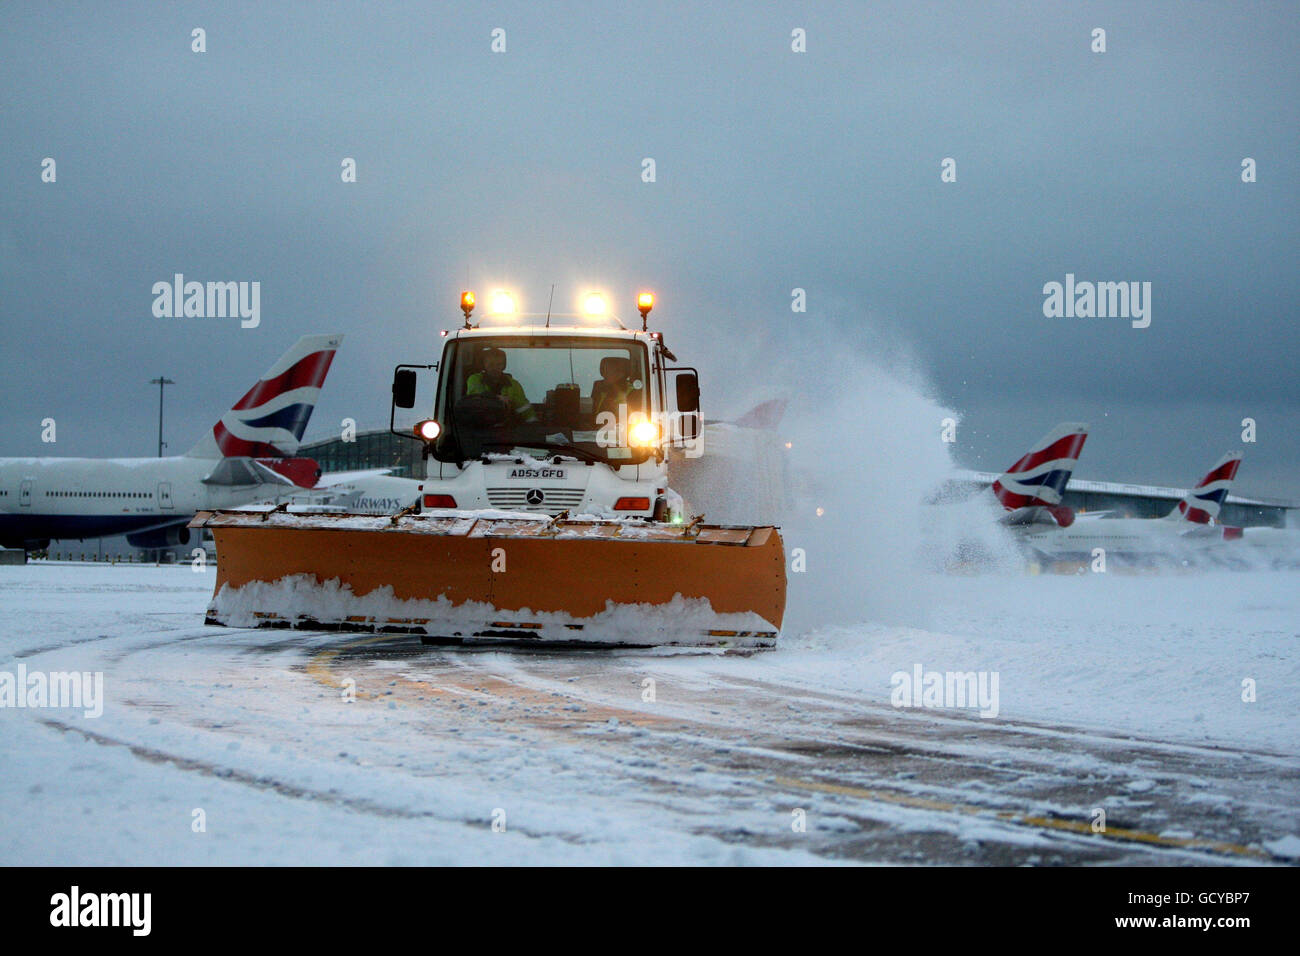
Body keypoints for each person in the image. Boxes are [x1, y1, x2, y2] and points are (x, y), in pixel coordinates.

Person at [466, 347, 537, 422]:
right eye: (491, 364)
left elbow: (525, 409)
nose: (495, 368)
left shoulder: (514, 384)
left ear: (504, 365)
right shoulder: (475, 379)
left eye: (499, 364)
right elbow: (475, 395)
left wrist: (534, 425)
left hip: (507, 429)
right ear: (484, 364)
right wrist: (497, 398)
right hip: (480, 429)